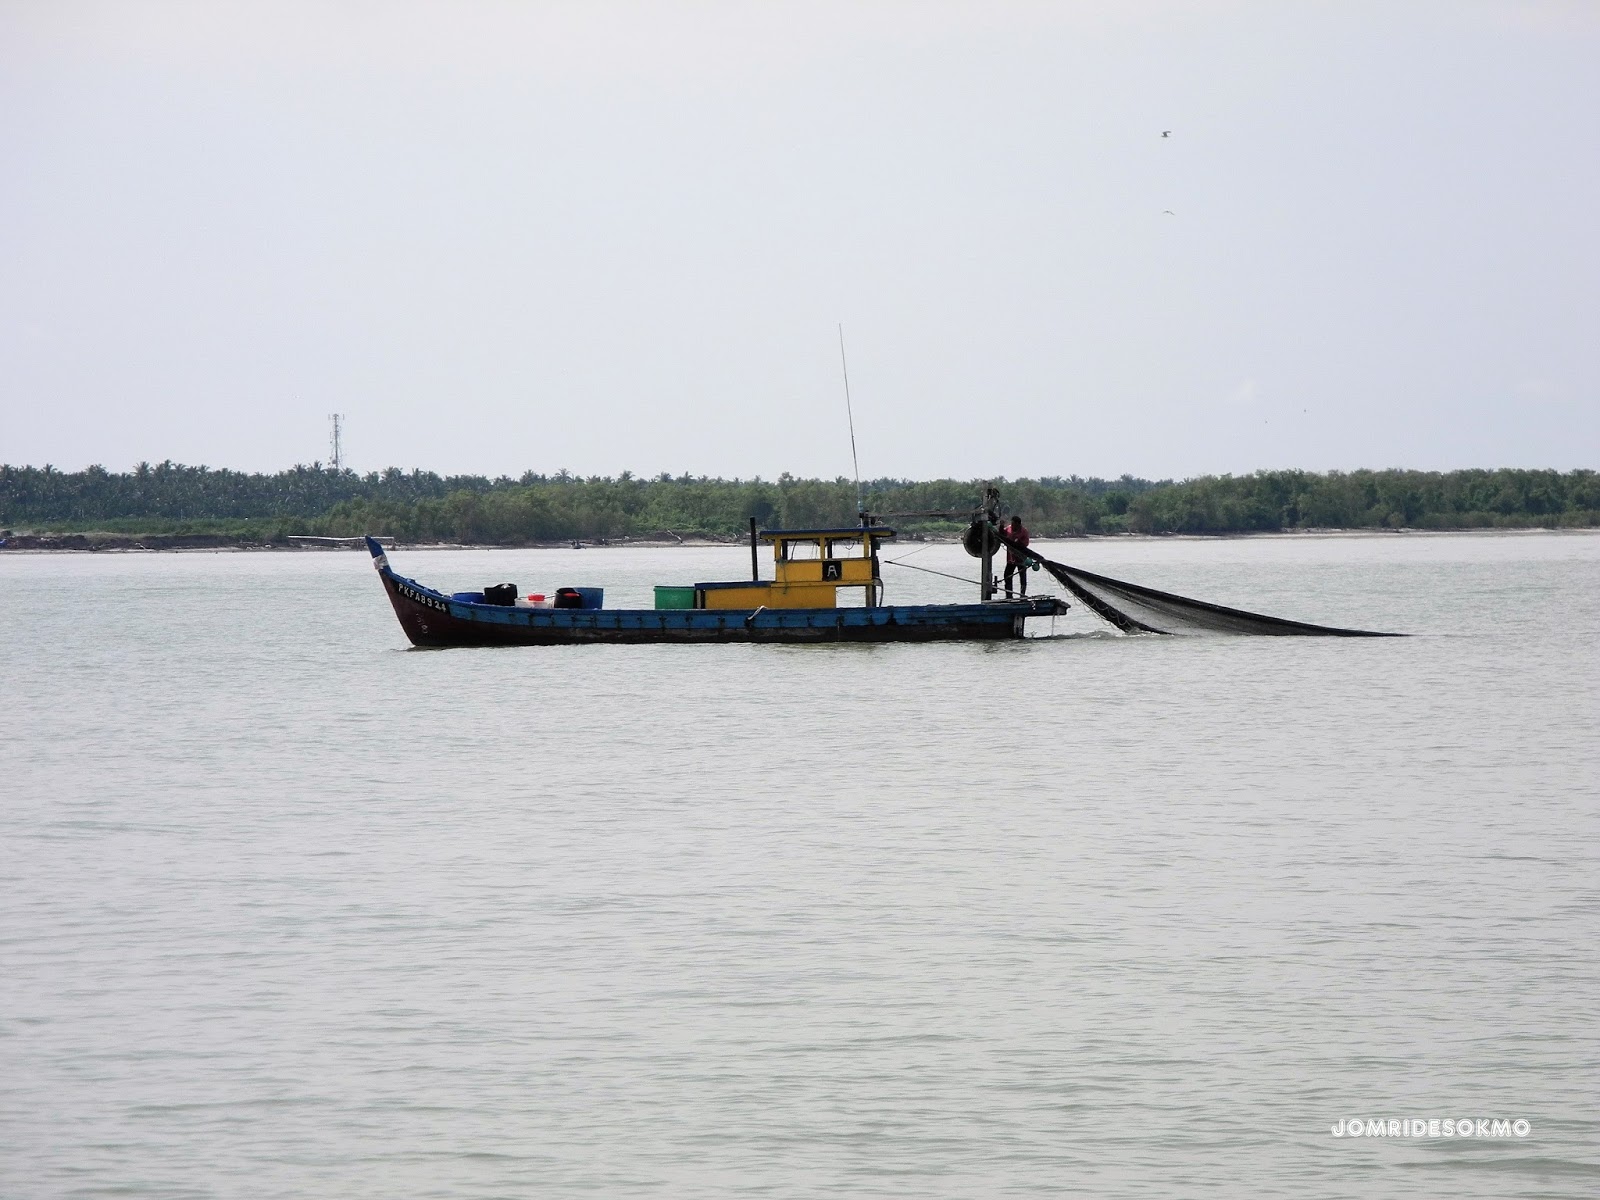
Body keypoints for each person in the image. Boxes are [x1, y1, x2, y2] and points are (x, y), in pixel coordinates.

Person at [1002, 513, 1030, 597]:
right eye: (1012, 524)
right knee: (1007, 575)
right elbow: (1002, 534)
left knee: (1022, 577)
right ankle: (1009, 595)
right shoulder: (1008, 529)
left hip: (1021, 558)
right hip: (1011, 558)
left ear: (1018, 524)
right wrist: (1001, 526)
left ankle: (1022, 595)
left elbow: (1026, 543)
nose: (1013, 526)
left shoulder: (1024, 531)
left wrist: (1018, 542)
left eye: (1014, 524)